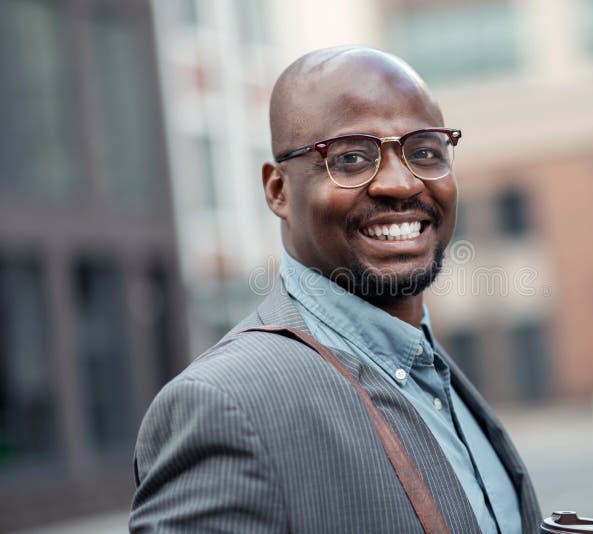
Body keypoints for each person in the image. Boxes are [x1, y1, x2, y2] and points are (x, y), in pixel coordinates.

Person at [130, 46, 542, 533]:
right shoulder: (225, 405)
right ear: (278, 190)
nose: (400, 183)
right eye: (351, 158)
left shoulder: (430, 372)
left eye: (426, 152)